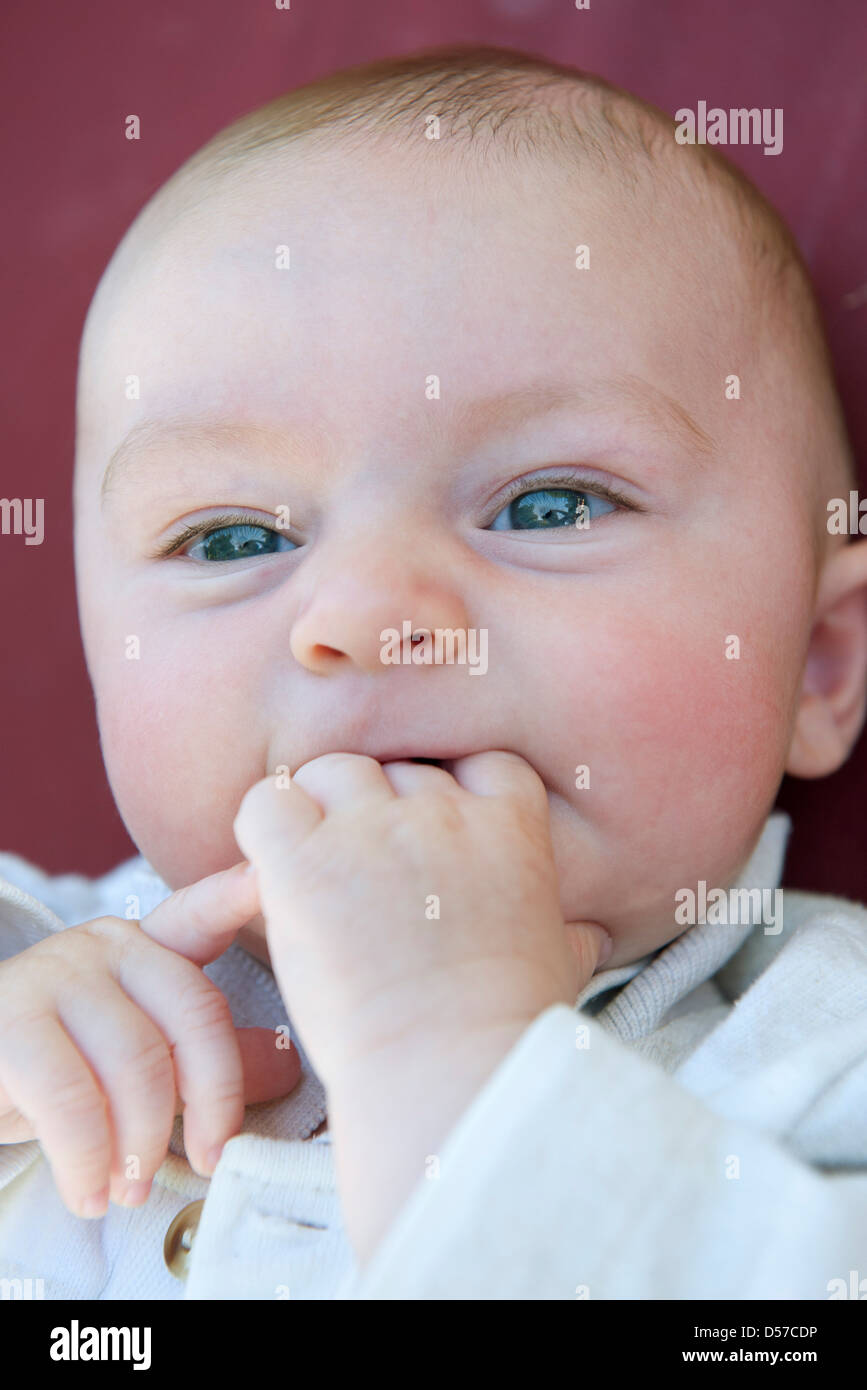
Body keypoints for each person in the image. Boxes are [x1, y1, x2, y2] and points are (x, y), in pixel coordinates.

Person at [2, 43, 866, 1300]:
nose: (366, 615)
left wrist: (458, 1069)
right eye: (233, 539)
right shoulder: (36, 963)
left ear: (819, 662)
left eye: (551, 505)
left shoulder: (821, 1060)